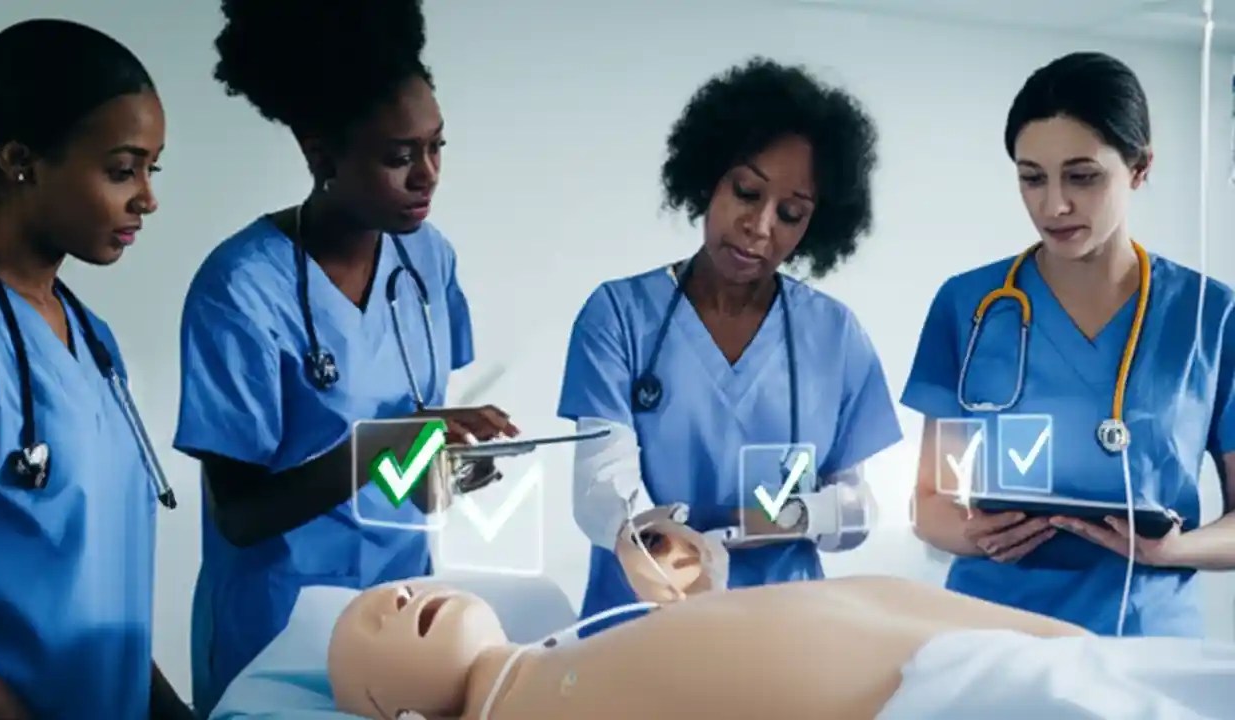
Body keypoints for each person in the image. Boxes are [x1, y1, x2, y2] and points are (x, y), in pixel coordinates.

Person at [172, 0, 518, 714]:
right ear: (320, 152)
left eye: (436, 147)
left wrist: (447, 459)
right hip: (279, 634)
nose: (427, 175)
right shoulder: (239, 289)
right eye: (399, 156)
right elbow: (240, 515)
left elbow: (405, 469)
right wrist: (379, 445)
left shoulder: (428, 259)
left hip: (405, 624)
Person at [556, 57, 903, 620]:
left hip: (784, 629)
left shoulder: (834, 334)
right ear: (708, 177)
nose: (761, 226)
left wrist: (789, 518)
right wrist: (656, 543)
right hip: (640, 623)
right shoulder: (618, 315)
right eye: (746, 192)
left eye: (791, 213)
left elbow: (857, 510)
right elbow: (600, 485)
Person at [904, 51, 1235, 637]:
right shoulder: (969, 306)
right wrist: (972, 535)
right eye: (1032, 177)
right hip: (992, 632)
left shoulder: (1211, 315)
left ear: (1139, 168)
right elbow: (931, 503)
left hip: (1144, 639)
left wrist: (1172, 552)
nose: (1053, 205)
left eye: (1082, 176)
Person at [0, 19, 192, 719]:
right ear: (19, 159)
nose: (147, 198)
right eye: (122, 170)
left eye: (152, 169)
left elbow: (94, 593)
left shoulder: (93, 339)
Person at [326, 574, 1235, 720]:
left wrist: (1074, 640)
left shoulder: (569, 645)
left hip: (1018, 664)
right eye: (374, 619)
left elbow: (861, 594)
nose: (400, 592)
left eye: (396, 586)